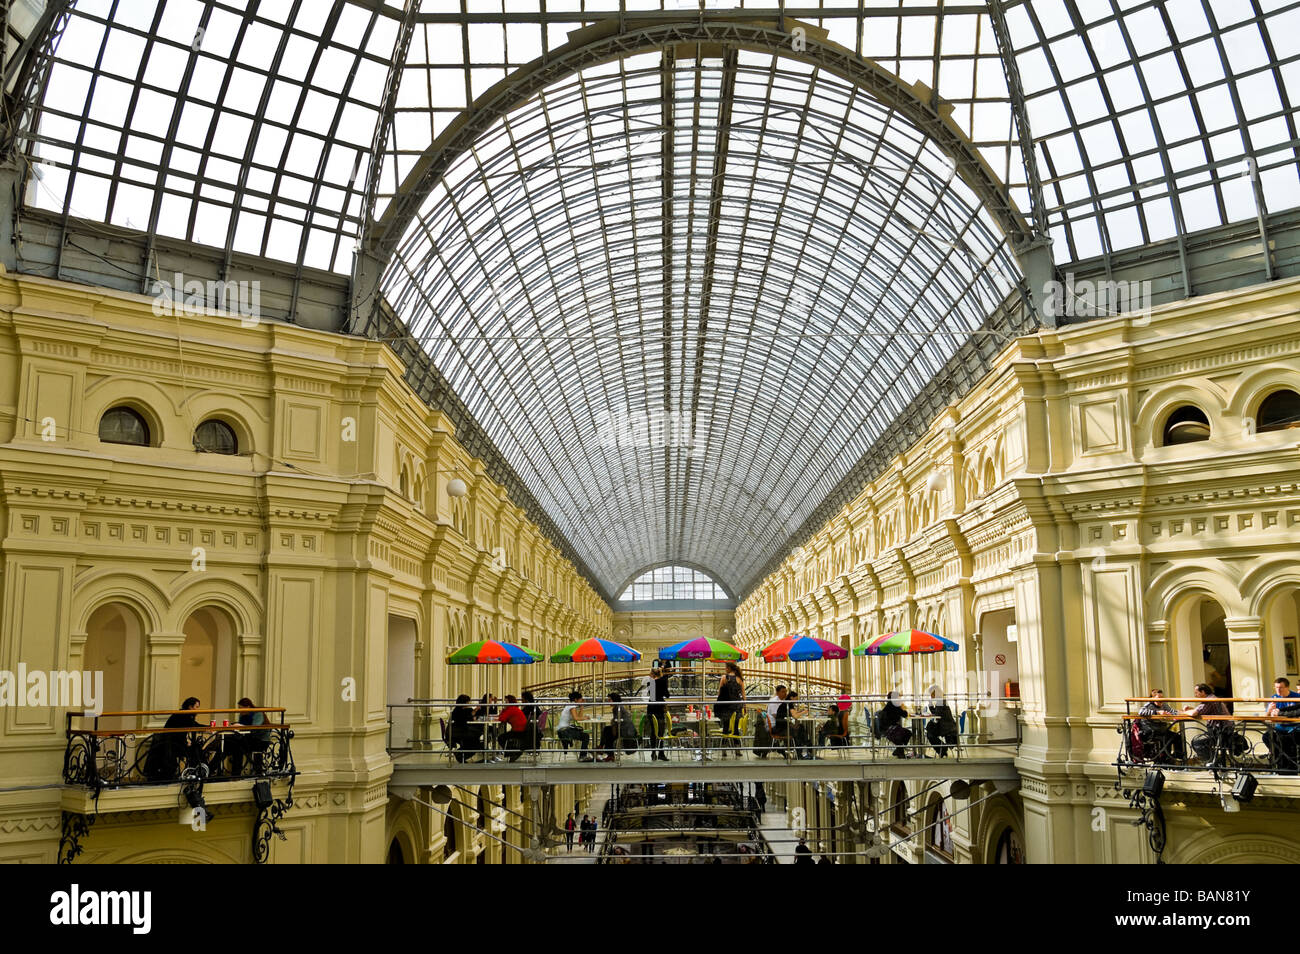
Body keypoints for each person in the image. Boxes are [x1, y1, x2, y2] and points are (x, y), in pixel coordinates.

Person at [145, 696, 204, 780]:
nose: (198, 710)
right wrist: (209, 727)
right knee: (196, 749)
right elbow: (194, 726)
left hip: (171, 744)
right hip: (172, 745)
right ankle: (196, 772)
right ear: (190, 707)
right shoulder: (184, 716)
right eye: (196, 707)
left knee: (195, 748)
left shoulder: (182, 714)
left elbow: (193, 725)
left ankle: (196, 771)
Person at [1183, 683, 1232, 766]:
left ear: (1202, 692)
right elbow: (1201, 710)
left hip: (1220, 732)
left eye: (1196, 693)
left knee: (1197, 743)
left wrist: (1184, 712)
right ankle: (1215, 762)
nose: (1195, 695)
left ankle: (1212, 763)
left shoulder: (1209, 701)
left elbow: (1194, 713)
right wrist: (1190, 709)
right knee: (1201, 742)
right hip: (1224, 729)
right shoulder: (1212, 698)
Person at [1135, 688, 1183, 763]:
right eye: (1159, 698)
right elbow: (1141, 711)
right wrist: (1157, 712)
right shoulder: (1149, 705)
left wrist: (1182, 712)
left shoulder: (1164, 705)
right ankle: (1165, 760)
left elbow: (1173, 712)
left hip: (1161, 730)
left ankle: (1177, 757)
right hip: (1150, 731)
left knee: (1177, 737)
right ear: (1153, 699)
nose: (1161, 700)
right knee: (1167, 738)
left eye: (1162, 698)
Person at [230, 697, 271, 775]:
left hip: (260, 740)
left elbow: (254, 728)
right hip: (249, 738)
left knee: (238, 746)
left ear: (248, 707)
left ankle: (236, 773)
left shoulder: (258, 714)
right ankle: (234, 772)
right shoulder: (242, 715)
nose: (239, 710)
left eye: (241, 708)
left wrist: (241, 726)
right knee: (232, 743)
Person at [1266, 676, 1300, 771]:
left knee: (1286, 740)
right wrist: (1269, 711)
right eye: (1276, 688)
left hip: (1294, 727)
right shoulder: (1274, 698)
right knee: (1266, 737)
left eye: (1280, 687)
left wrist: (1279, 713)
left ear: (1287, 687)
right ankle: (1278, 760)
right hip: (1280, 727)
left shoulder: (1296, 697)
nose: (1278, 690)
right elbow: (1268, 717)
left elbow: (1296, 712)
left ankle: (1289, 766)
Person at [714, 661, 746, 756]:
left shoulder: (724, 678)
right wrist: (745, 705)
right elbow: (743, 694)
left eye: (726, 667)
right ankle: (737, 750)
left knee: (725, 727)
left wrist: (718, 702)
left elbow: (720, 692)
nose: (725, 669)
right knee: (735, 728)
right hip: (737, 705)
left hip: (726, 705)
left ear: (729, 668)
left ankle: (724, 749)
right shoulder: (739, 679)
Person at [598, 691, 638, 761]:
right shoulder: (618, 706)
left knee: (608, 733)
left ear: (614, 700)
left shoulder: (617, 708)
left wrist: (613, 726)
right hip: (625, 729)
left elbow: (616, 721)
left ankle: (606, 751)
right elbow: (616, 721)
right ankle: (604, 750)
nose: (608, 701)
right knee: (607, 730)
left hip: (626, 732)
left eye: (610, 700)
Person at [557, 691, 593, 761]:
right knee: (586, 736)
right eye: (580, 699)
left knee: (583, 733)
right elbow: (576, 718)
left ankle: (584, 755)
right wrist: (585, 718)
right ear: (576, 699)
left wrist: (582, 706)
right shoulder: (572, 706)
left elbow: (579, 717)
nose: (581, 701)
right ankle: (583, 756)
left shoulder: (571, 705)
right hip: (564, 731)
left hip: (563, 729)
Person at [925, 685, 959, 758]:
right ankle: (942, 749)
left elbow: (936, 714)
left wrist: (930, 704)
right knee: (930, 731)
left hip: (946, 727)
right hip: (945, 725)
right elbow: (937, 713)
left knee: (929, 733)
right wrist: (931, 705)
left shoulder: (940, 701)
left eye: (931, 693)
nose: (930, 695)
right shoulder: (940, 700)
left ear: (935, 693)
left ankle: (943, 749)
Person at [448, 694, 483, 762]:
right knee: (476, 741)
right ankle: (460, 755)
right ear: (464, 702)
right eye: (467, 702)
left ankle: (460, 754)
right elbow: (465, 719)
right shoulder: (459, 711)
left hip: (459, 730)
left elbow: (467, 718)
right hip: (458, 732)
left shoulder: (459, 710)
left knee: (476, 739)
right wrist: (473, 713)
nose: (468, 704)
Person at [878, 690, 912, 758]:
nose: (899, 699)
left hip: (888, 727)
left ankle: (899, 750)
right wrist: (902, 707)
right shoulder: (894, 705)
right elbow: (904, 714)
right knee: (907, 733)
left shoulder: (890, 704)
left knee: (906, 733)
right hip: (890, 729)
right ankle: (900, 752)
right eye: (898, 697)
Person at [647, 665, 670, 761]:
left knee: (653, 732)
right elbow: (667, 695)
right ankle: (661, 753)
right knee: (661, 732)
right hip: (660, 709)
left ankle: (653, 753)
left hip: (652, 709)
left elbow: (652, 697)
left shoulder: (650, 683)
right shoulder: (663, 681)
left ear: (652, 674)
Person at [497, 694, 528, 762]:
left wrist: (503, 710)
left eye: (506, 702)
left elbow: (501, 719)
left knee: (501, 738)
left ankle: (513, 753)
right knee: (504, 736)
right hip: (522, 730)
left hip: (519, 731)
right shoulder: (514, 708)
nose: (504, 703)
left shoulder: (511, 709)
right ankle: (512, 752)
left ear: (510, 702)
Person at [787, 690, 813, 759]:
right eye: (796, 698)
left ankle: (805, 746)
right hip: (785, 726)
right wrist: (803, 712)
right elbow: (795, 716)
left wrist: (799, 711)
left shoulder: (788, 703)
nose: (797, 700)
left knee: (801, 727)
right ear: (791, 697)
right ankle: (805, 746)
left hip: (785, 723)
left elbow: (793, 713)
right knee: (800, 729)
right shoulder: (789, 704)